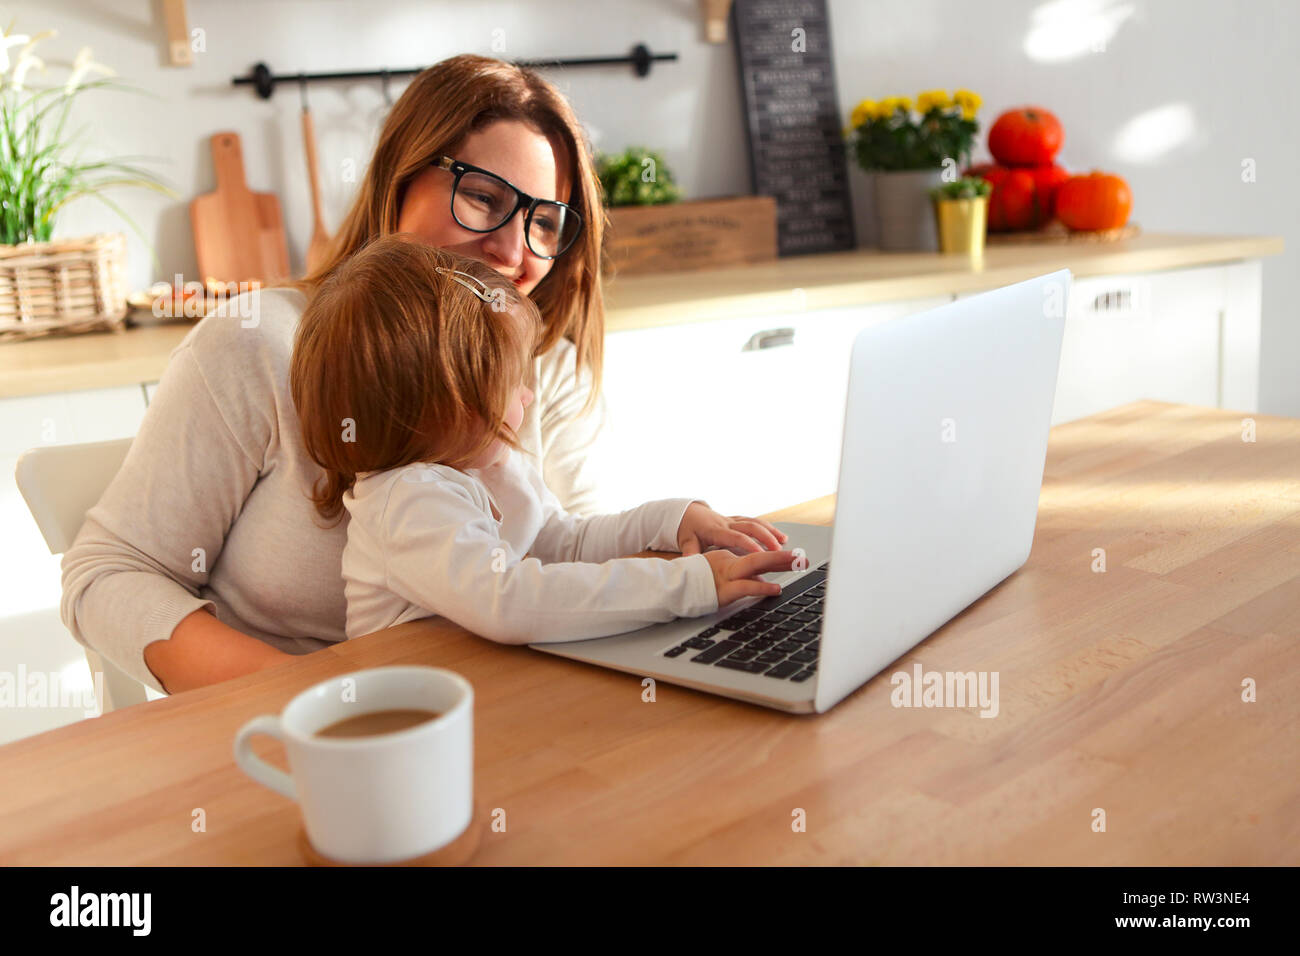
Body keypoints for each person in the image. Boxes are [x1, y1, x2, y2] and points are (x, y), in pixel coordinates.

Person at [61, 55, 626, 694]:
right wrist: (327, 704)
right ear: (398, 180)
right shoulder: (261, 343)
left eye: (544, 222)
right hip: (289, 745)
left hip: (507, 718)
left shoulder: (548, 369)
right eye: (481, 197)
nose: (513, 249)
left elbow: (581, 556)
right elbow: (108, 576)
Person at [290, 237, 794, 642]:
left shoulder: (490, 467)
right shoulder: (407, 501)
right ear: (454, 404)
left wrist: (671, 519)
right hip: (419, 723)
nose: (529, 396)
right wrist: (690, 583)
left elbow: (567, 542)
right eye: (514, 383)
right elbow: (508, 602)